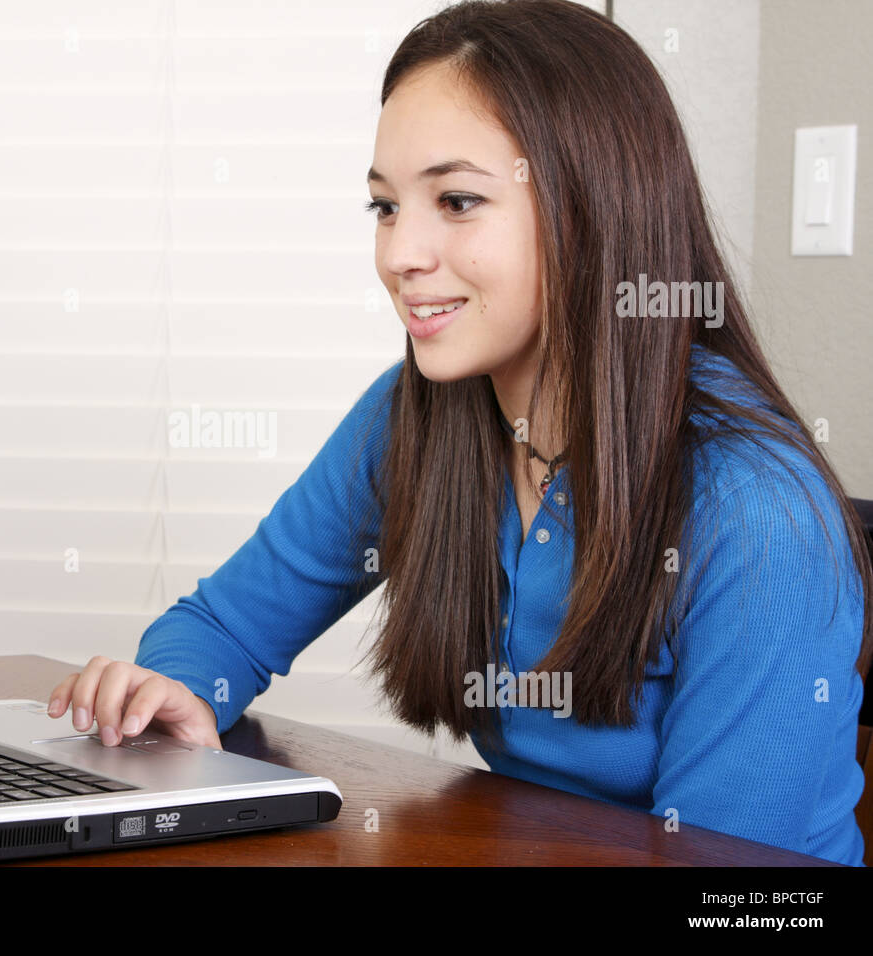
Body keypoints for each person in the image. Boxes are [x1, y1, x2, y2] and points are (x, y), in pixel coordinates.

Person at [46, 0, 872, 865]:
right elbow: (224, 629)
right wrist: (174, 689)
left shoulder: (758, 509)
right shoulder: (422, 414)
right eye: (385, 207)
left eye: (458, 199)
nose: (400, 253)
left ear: (593, 207)